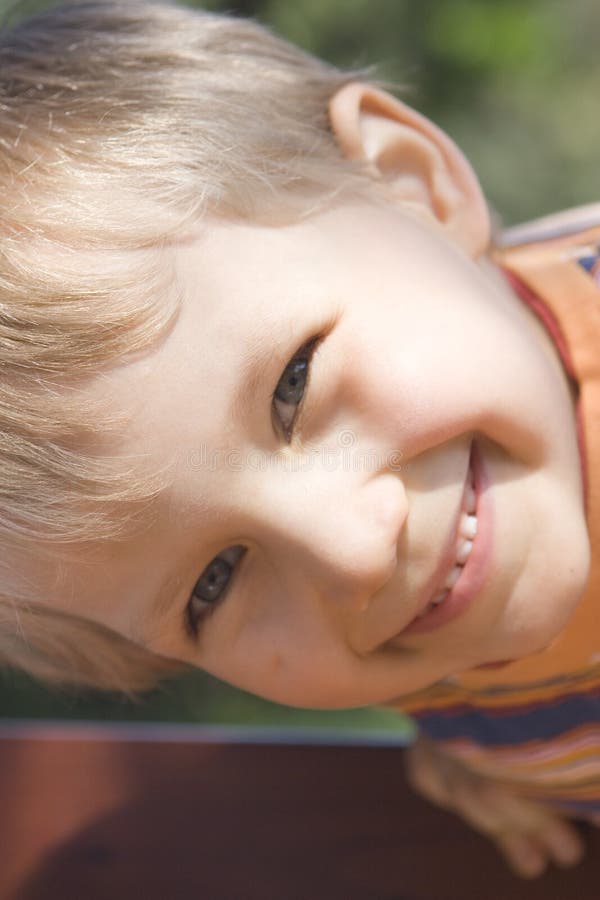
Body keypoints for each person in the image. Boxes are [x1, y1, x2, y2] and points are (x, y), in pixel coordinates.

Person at [0, 0, 598, 881]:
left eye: (293, 385)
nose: (351, 555)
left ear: (412, 188)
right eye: (214, 582)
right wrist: (486, 747)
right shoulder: (438, 620)